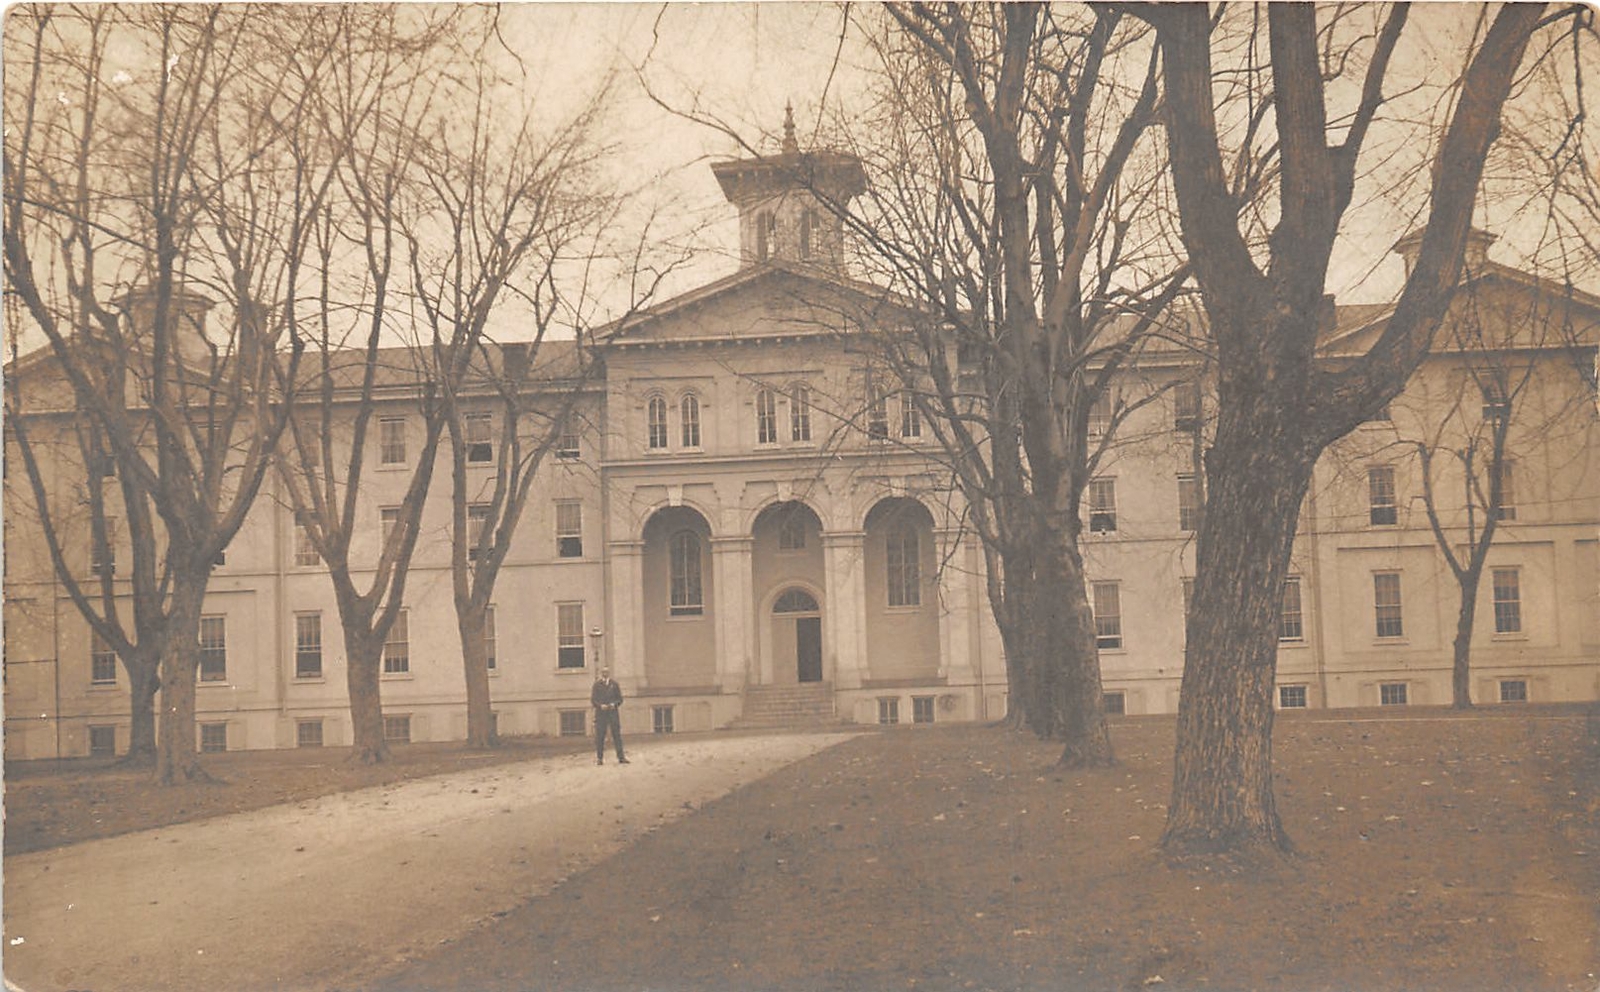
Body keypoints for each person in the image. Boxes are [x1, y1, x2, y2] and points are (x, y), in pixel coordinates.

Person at [591, 667, 628, 765]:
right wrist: (600, 706)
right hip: (601, 714)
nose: (605, 673)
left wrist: (614, 704)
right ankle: (599, 758)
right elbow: (593, 700)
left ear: (609, 673)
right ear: (601, 673)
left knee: (617, 735)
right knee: (600, 736)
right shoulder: (597, 685)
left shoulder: (614, 684)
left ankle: (621, 757)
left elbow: (620, 699)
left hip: (613, 713)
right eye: (603, 672)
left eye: (607, 672)